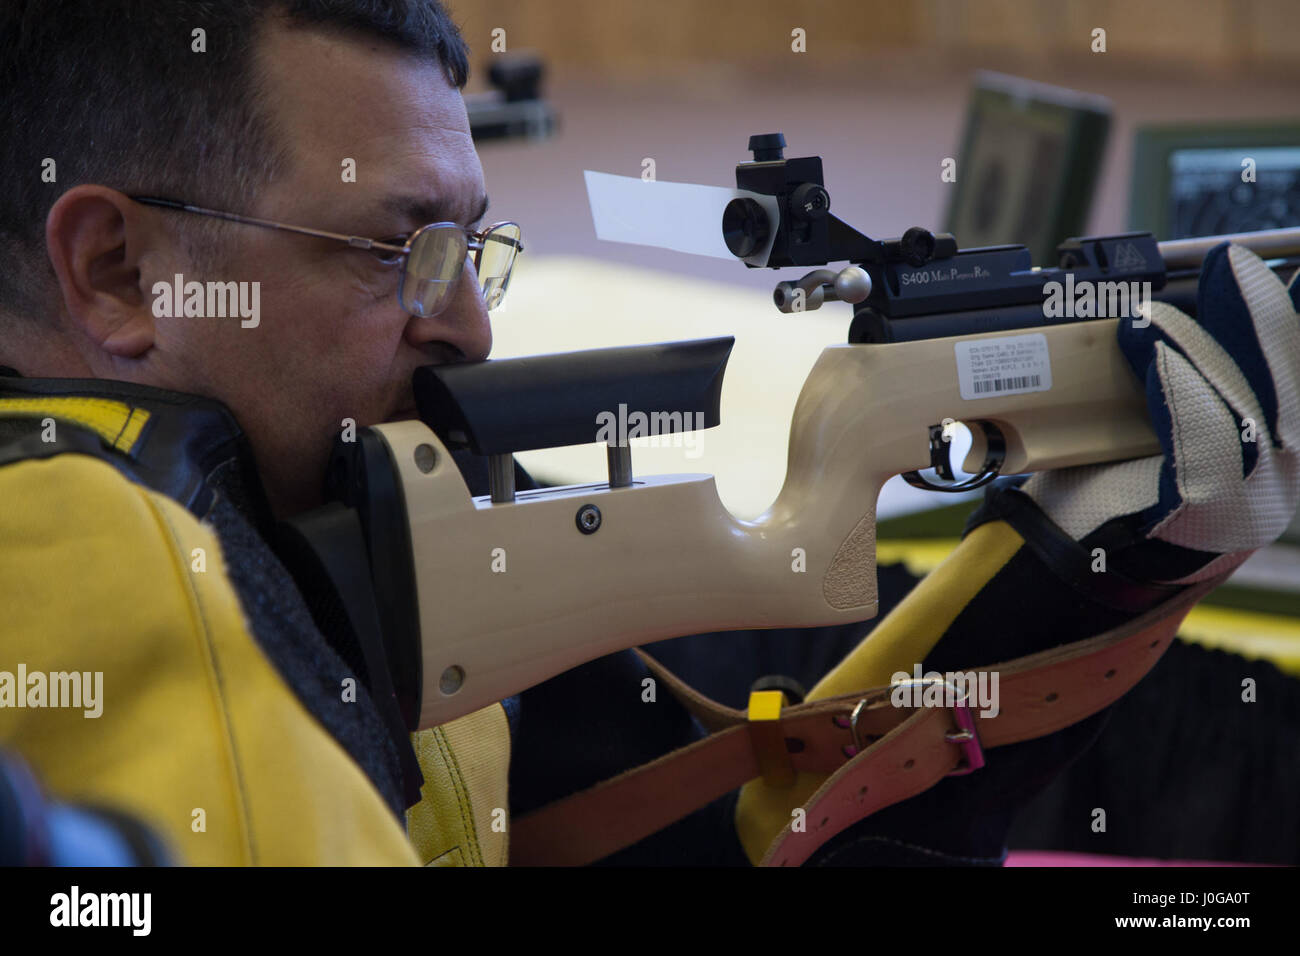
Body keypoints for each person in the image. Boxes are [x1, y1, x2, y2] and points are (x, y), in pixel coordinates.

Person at [1, 0, 1296, 866]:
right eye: (399, 252)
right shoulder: (93, 572)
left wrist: (1101, 565)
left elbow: (710, 817)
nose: (471, 332)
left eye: (472, 253)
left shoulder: (335, 522)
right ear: (121, 272)